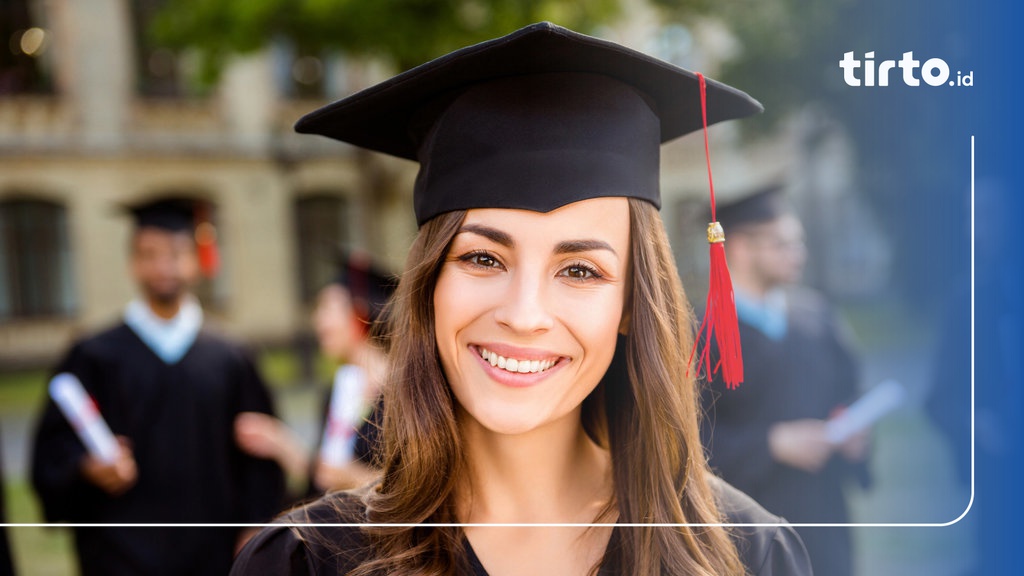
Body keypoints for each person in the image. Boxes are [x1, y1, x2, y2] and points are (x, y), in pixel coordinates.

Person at [232, 22, 812, 576]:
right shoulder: (308, 561)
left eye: (580, 270)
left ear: (634, 304)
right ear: (430, 283)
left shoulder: (745, 556)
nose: (523, 314)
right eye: (483, 259)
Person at [30, 197, 285, 576]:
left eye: (175, 253)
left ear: (196, 261)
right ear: (132, 262)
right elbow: (52, 449)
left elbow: (260, 459)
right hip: (120, 552)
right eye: (148, 253)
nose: (163, 266)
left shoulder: (231, 358)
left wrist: (256, 526)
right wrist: (86, 467)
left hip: (216, 553)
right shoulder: (94, 355)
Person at [699, 185, 869, 576]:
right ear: (740, 248)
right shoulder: (700, 333)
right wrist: (770, 443)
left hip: (824, 513)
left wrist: (856, 431)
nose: (799, 254)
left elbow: (849, 390)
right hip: (745, 525)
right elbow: (683, 435)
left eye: (799, 242)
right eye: (783, 244)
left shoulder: (815, 316)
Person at [234, 251, 394, 496]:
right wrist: (280, 443)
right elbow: (323, 477)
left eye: (327, 308)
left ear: (360, 313)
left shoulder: (403, 390)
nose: (318, 320)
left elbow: (419, 487)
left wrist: (355, 478)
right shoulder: (339, 389)